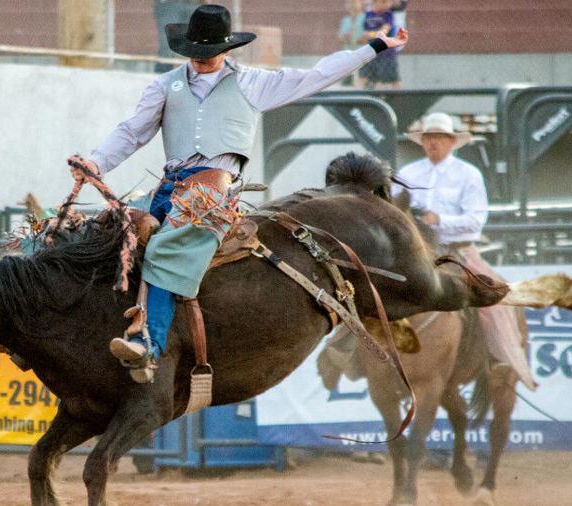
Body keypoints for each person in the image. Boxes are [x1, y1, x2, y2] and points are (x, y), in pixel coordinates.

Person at [73, 3, 407, 383]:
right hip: (169, 185)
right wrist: (96, 164)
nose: (200, 61)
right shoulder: (165, 85)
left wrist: (374, 48)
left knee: (170, 246)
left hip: (214, 191)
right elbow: (133, 131)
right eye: (195, 54)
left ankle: (148, 342)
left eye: (208, 53)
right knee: (108, 231)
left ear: (226, 50)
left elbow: (316, 76)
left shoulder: (253, 83)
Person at [395, 112, 536, 390]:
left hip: (458, 252)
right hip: (415, 252)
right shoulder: (407, 175)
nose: (433, 142)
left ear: (451, 142)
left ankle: (501, 359)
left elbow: (475, 221)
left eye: (439, 138)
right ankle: (346, 353)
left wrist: (441, 221)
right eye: (428, 137)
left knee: (493, 299)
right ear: (422, 141)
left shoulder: (468, 175)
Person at [356, 0, 399, 90]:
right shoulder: (367, 15)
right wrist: (366, 36)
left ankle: (398, 99)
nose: (388, 4)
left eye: (388, 2)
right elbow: (362, 34)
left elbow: (384, 31)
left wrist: (371, 35)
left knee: (388, 79)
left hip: (386, 54)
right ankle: (358, 96)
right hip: (371, 53)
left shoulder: (388, 15)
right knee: (364, 76)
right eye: (384, 2)